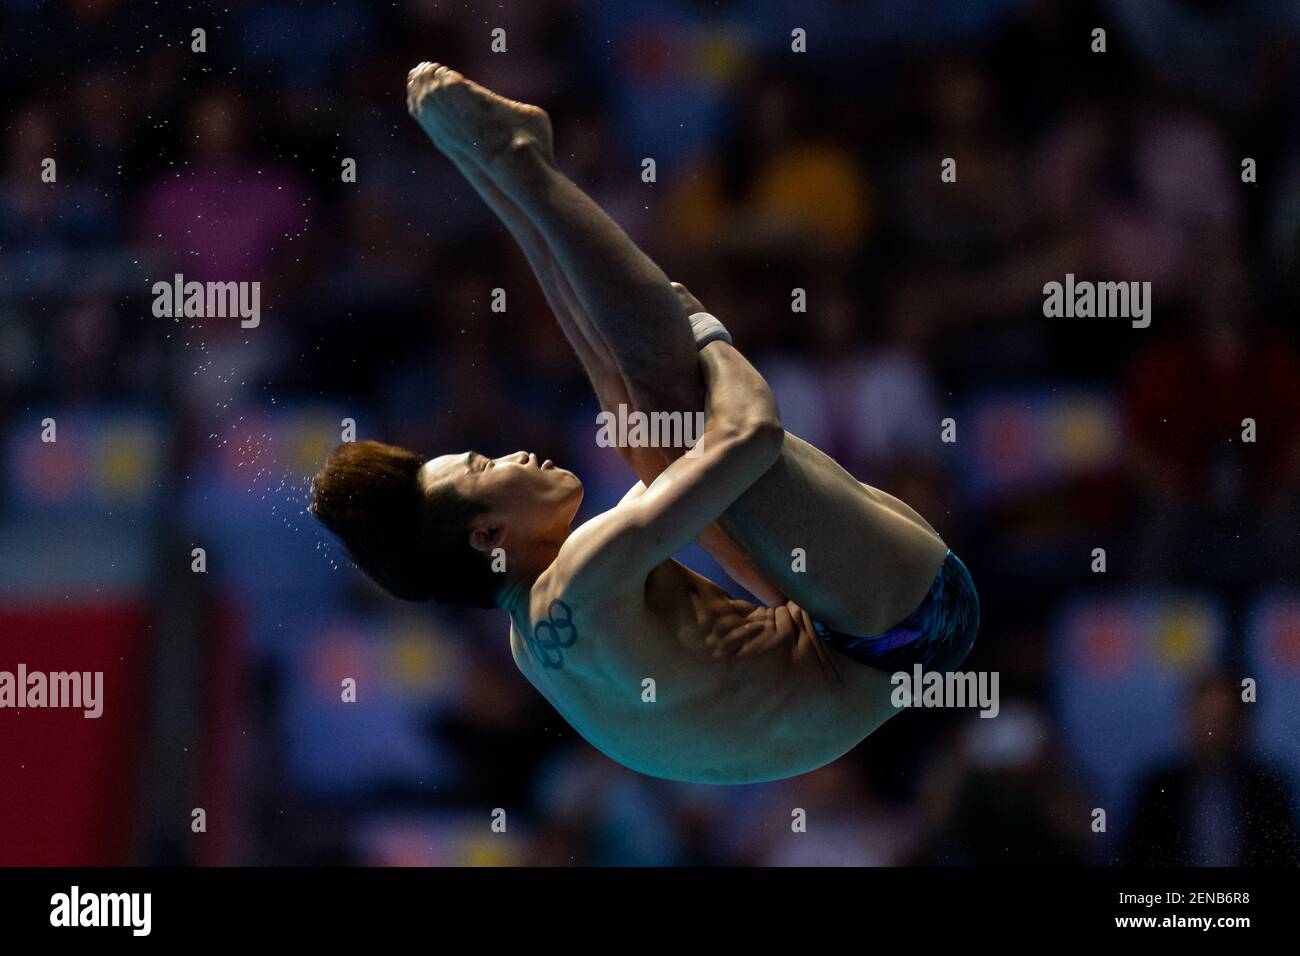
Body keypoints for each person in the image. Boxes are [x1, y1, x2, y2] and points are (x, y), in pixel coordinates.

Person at [310, 64, 978, 784]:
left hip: (839, 637)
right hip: (909, 624)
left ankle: (501, 168)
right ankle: (514, 163)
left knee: (646, 433)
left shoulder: (531, 639)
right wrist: (704, 327)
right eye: (484, 464)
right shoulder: (585, 574)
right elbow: (751, 435)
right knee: (672, 407)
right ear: (488, 534)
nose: (514, 454)